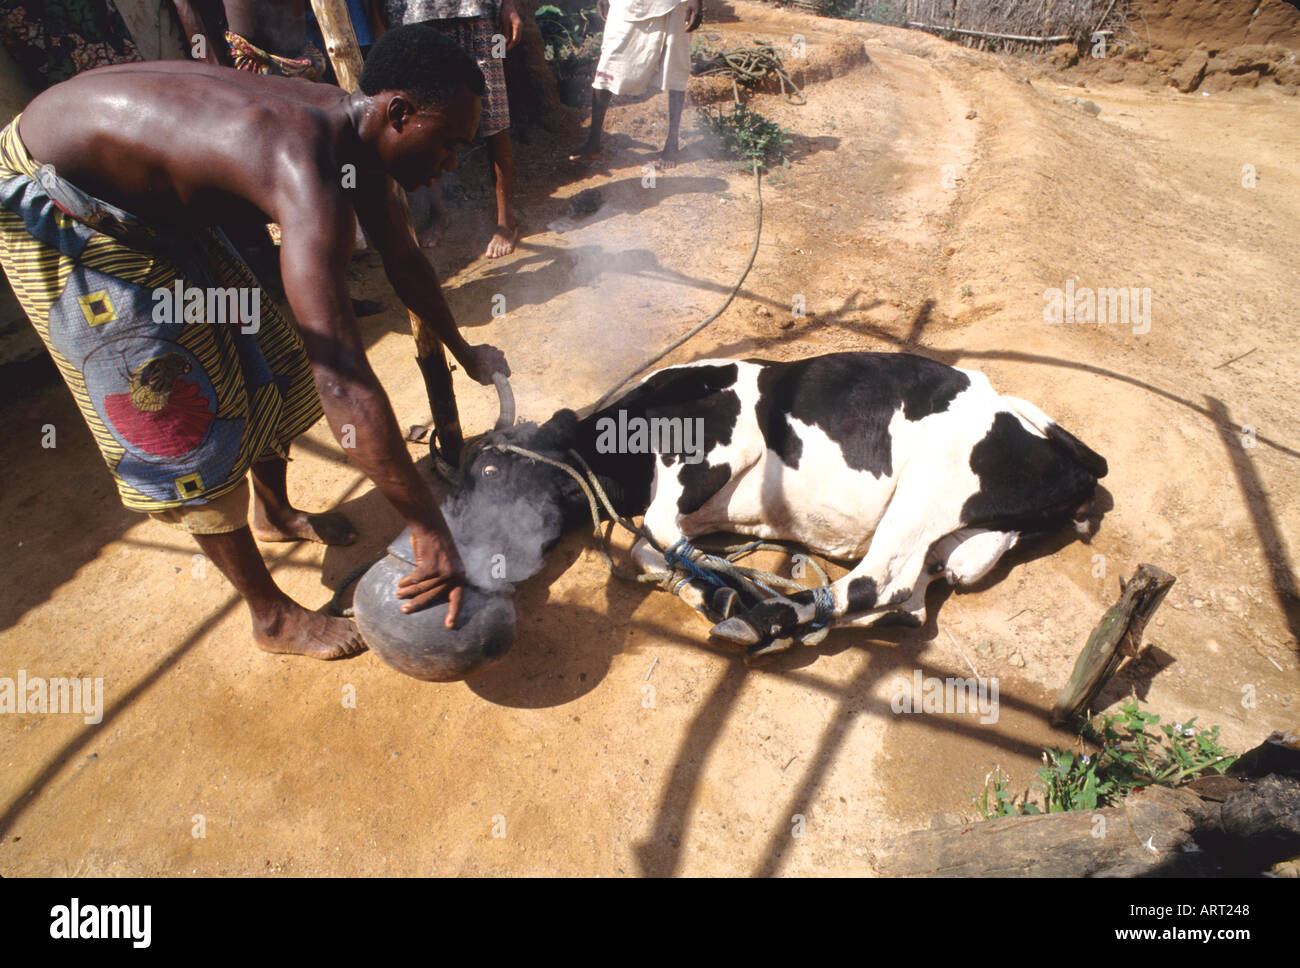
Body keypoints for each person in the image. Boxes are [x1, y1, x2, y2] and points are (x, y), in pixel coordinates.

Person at [0, 25, 508, 659]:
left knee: (272, 359)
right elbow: (343, 375)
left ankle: (274, 513)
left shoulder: (357, 137)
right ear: (399, 113)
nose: (452, 161)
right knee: (172, 416)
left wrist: (463, 351)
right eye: (451, 143)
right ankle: (269, 617)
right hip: (65, 209)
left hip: (152, 203)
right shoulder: (302, 165)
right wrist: (427, 526)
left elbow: (403, 260)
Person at [375, 0, 523, 257]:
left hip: (475, 13)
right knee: (426, 123)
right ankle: (438, 213)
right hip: (414, 18)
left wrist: (508, 5)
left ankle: (506, 221)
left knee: (494, 118)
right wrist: (378, 23)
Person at [569, 0, 702, 168]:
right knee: (608, 63)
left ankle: (672, 143)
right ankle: (593, 143)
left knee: (674, 67)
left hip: (673, 4)